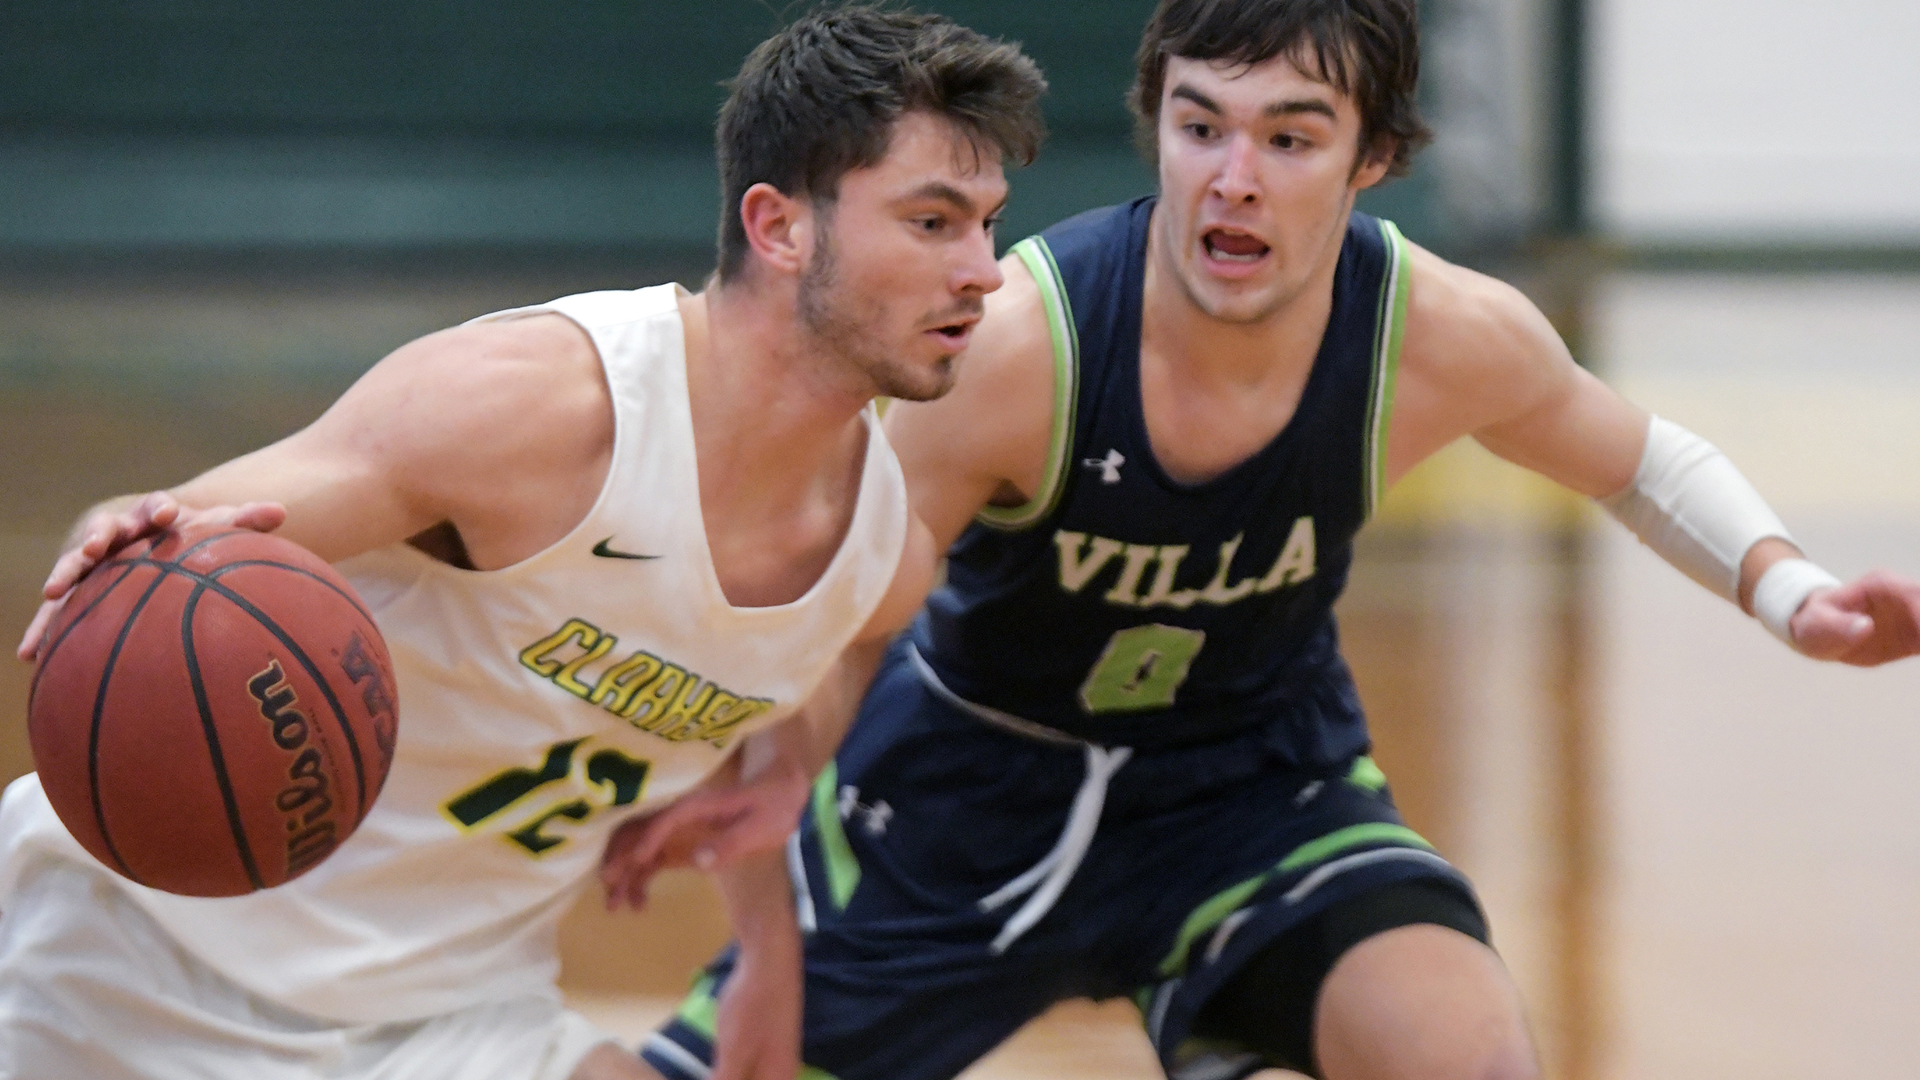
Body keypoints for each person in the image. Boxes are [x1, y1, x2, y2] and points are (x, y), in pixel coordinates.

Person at [606, 2, 1920, 1079]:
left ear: (1375, 159)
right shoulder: (1022, 351)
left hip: (1251, 790)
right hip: (960, 799)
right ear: (1159, 132)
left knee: (1468, 1056)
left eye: (1292, 138)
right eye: (1201, 128)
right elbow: (851, 613)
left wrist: (1791, 595)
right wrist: (780, 767)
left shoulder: (1440, 336)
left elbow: (1642, 461)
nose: (1233, 181)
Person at [0, 9, 1046, 1080]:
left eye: (987, 224)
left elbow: (792, 693)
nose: (984, 271)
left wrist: (771, 908)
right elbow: (163, 552)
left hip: (457, 1017)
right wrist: (117, 532)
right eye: (933, 222)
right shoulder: (533, 409)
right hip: (127, 957)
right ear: (782, 229)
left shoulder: (878, 560)